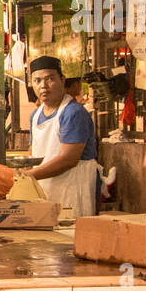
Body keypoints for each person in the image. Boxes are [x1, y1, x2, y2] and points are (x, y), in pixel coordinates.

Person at [22, 56, 98, 217]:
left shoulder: (73, 113)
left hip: (73, 188)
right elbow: (33, 150)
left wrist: (30, 175)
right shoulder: (35, 115)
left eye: (50, 79)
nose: (43, 86)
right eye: (37, 81)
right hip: (45, 188)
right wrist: (23, 170)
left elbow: (69, 159)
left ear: (62, 80)